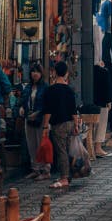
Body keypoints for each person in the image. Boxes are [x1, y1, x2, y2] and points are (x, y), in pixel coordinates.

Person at [41, 61, 79, 189]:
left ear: (54, 72)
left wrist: (45, 127)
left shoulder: (50, 90)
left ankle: (64, 178)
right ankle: (67, 175)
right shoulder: (69, 89)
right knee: (67, 150)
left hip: (59, 125)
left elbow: (48, 111)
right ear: (66, 73)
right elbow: (73, 109)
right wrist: (77, 124)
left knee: (61, 151)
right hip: (69, 123)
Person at [19, 63, 48, 180]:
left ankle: (45, 170)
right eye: (33, 71)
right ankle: (35, 169)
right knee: (31, 145)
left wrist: (38, 113)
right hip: (29, 119)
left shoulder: (45, 87)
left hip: (40, 120)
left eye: (37, 72)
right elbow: (22, 101)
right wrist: (21, 108)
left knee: (41, 144)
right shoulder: (28, 87)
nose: (35, 74)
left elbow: (46, 105)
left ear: (41, 74)